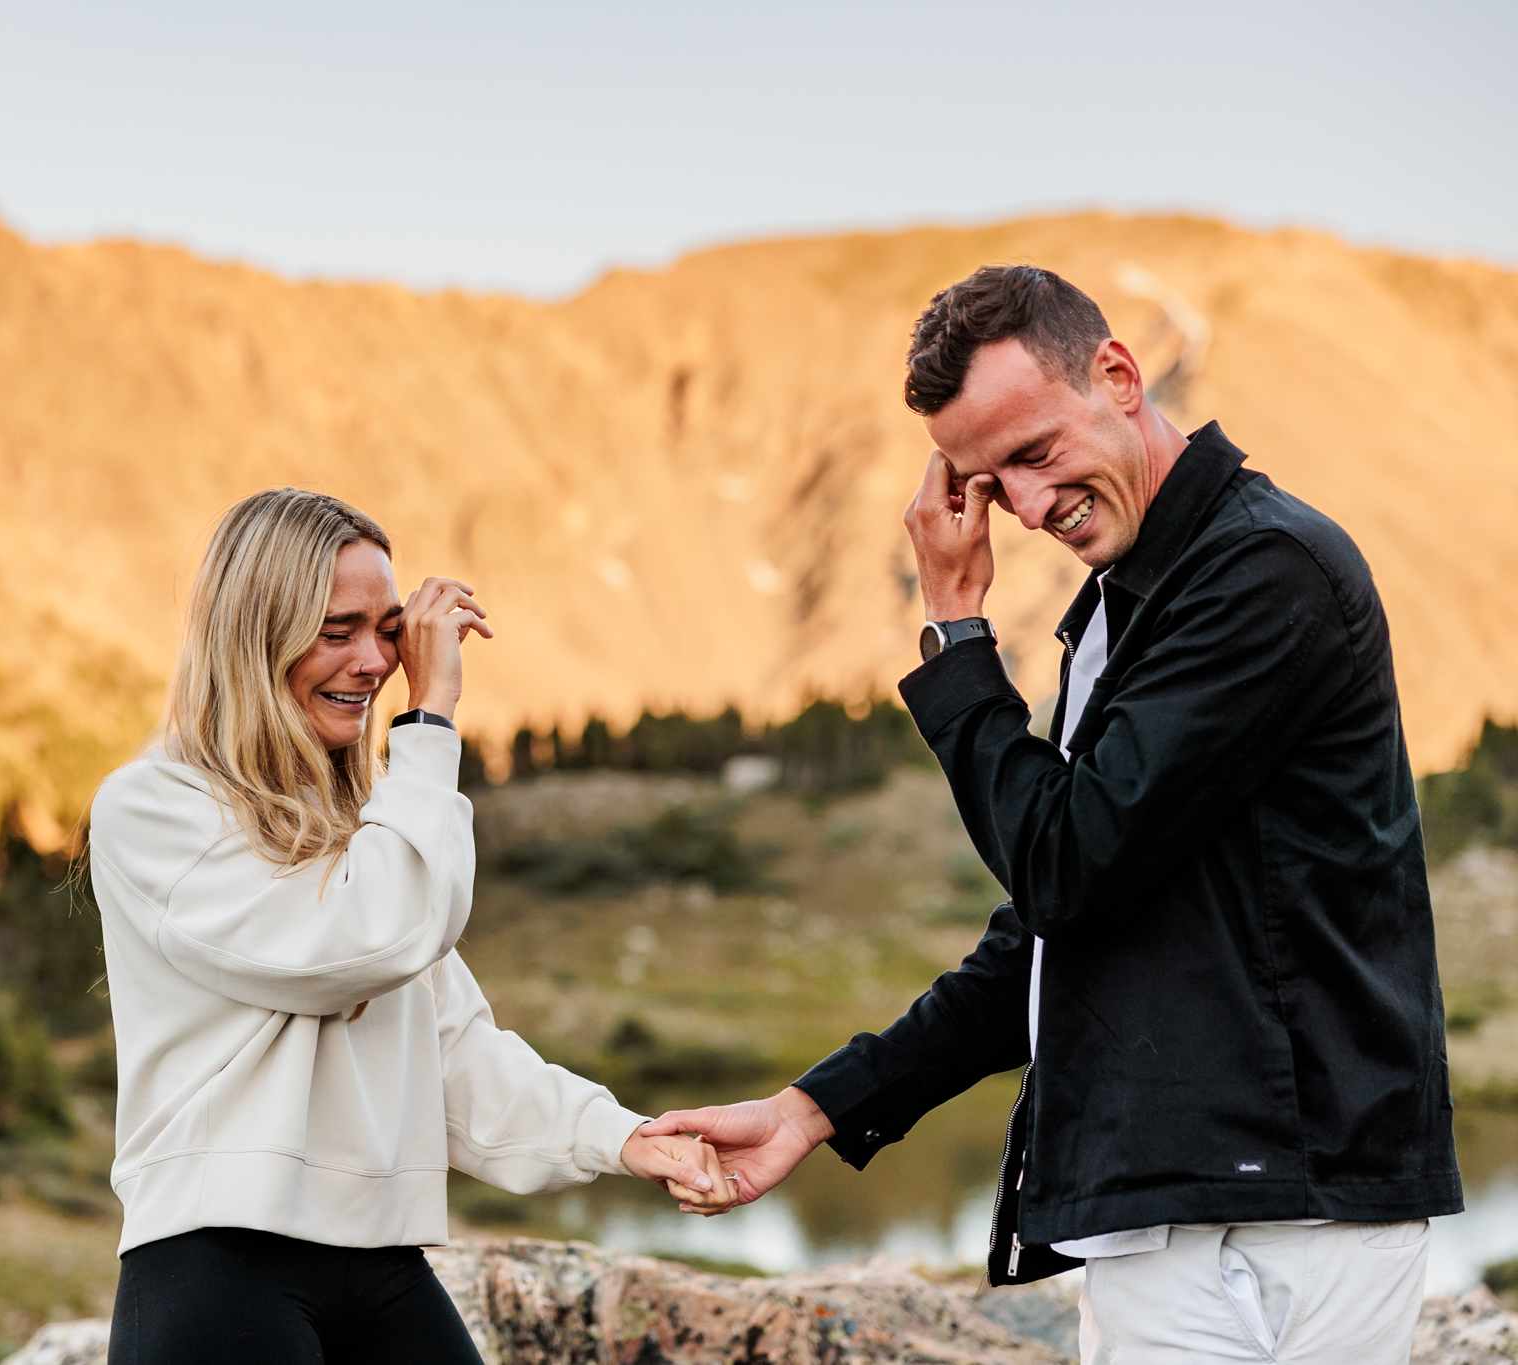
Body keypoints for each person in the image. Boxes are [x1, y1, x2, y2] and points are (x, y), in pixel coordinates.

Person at [643, 265, 1458, 1364]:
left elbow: (1062, 862)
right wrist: (812, 1109)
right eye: (988, 483)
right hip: (1184, 1215)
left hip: (1275, 1216)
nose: (1025, 510)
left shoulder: (1262, 571)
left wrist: (953, 634)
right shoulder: (1128, 609)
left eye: (1031, 455)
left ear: (1117, 375)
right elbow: (1054, 931)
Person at [92, 488, 730, 1365]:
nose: (372, 662)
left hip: (383, 1266)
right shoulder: (156, 805)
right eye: (336, 629)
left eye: (388, 630)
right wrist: (427, 721)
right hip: (217, 1268)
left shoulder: (366, 831)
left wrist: (623, 1137)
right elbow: (370, 940)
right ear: (254, 636)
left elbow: (453, 1050)